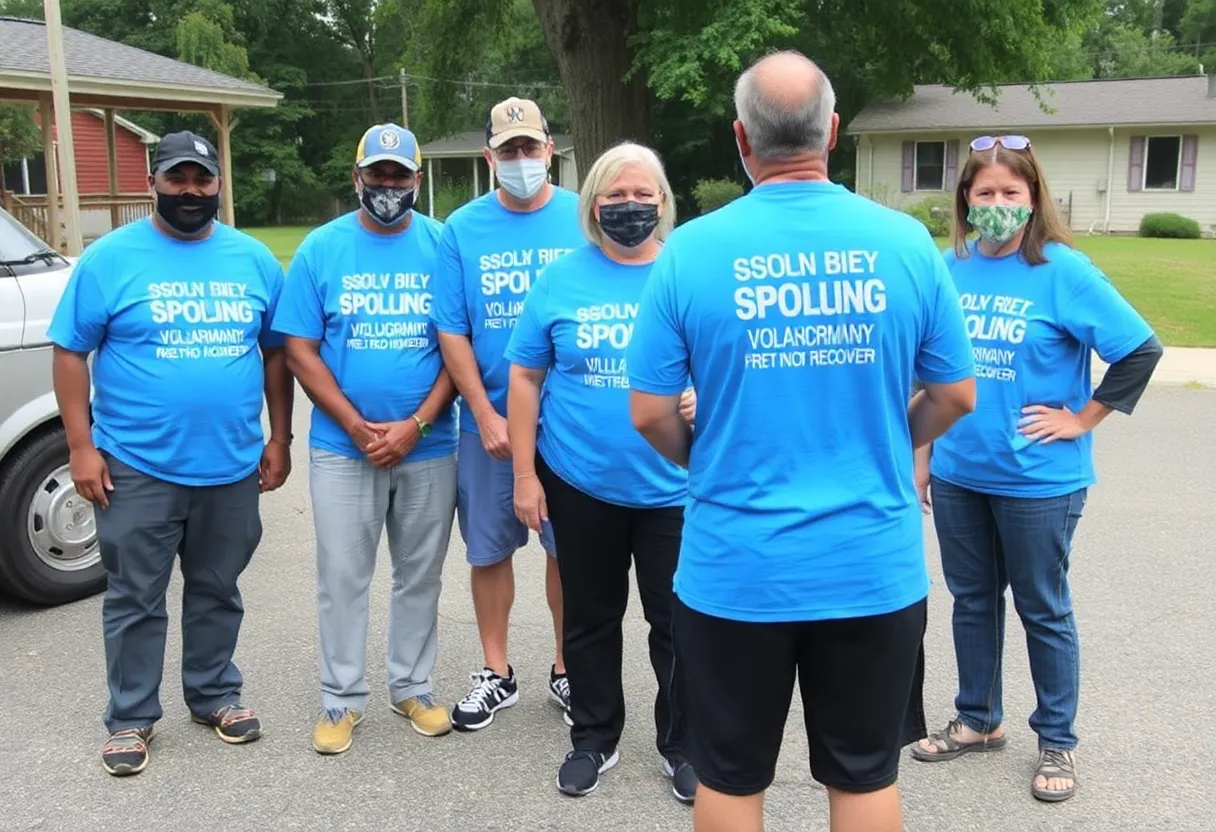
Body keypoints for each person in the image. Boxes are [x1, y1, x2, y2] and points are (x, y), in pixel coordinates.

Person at [625, 51, 978, 832]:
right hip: (869, 567)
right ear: (835, 132)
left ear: (741, 141)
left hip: (735, 569)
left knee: (726, 778)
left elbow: (649, 413)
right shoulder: (905, 244)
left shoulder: (690, 249)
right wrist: (896, 439)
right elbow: (956, 393)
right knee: (862, 779)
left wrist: (704, 458)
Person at [910, 134, 1163, 803]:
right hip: (963, 470)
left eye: (1010, 193)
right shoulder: (949, 267)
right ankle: (978, 718)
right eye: (984, 192)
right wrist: (926, 453)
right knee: (970, 600)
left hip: (1039, 480)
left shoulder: (1062, 270)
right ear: (965, 197)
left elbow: (1139, 349)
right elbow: (935, 373)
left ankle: (1057, 740)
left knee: (1043, 609)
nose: (996, 204)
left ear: (1032, 199)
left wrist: (1081, 419)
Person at [47, 130, 294, 777]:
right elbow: (71, 351)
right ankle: (130, 715)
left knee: (217, 587)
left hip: (232, 464)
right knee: (135, 595)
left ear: (218, 184)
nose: (190, 191)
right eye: (177, 179)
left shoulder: (254, 261)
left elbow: (276, 354)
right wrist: (81, 446)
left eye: (202, 180)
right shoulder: (109, 259)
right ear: (152, 182)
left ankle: (214, 695)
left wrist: (279, 438)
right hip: (135, 463)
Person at [504, 141, 699, 803]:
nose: (629, 206)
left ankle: (682, 745)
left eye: (642, 195)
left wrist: (708, 391)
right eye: (615, 196)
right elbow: (526, 376)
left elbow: (728, 362)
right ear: (592, 205)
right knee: (589, 617)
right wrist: (525, 477)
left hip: (674, 485)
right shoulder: (561, 277)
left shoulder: (685, 271)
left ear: (663, 202)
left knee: (677, 621)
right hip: (580, 479)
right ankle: (594, 736)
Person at [272, 123, 459, 754]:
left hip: (428, 444)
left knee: (420, 574)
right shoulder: (322, 249)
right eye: (376, 175)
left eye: (398, 175)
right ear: (357, 179)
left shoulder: (443, 245)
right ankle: (340, 699)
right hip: (340, 446)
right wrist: (355, 424)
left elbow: (458, 351)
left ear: (417, 180)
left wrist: (417, 424)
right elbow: (298, 347)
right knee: (343, 574)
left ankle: (412, 686)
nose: (387, 186)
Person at [430, 96, 584, 731]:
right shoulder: (460, 230)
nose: (521, 159)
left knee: (566, 551)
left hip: (570, 423)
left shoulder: (584, 217)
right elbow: (452, 330)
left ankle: (566, 666)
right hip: (487, 425)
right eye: (508, 150)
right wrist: (484, 413)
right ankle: (497, 671)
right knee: (488, 551)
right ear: (490, 157)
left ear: (550, 150)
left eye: (531, 147)